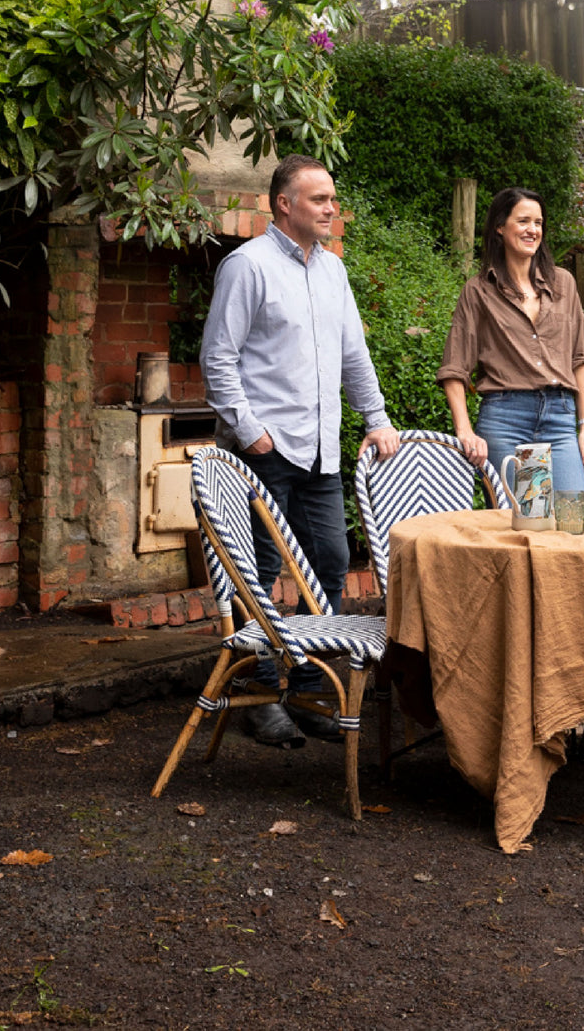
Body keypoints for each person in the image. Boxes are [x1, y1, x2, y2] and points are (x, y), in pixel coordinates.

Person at [200, 154, 399, 746]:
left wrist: (377, 416)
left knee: (331, 563)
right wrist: (250, 429)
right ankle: (258, 696)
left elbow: (352, 355)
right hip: (265, 448)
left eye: (333, 199)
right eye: (319, 199)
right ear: (284, 204)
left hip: (319, 451)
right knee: (259, 572)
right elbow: (218, 358)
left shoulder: (332, 271)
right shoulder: (248, 267)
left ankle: (310, 687)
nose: (331, 208)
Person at [438, 186, 584, 492]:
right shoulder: (479, 291)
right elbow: (454, 368)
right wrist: (465, 430)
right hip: (505, 420)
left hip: (560, 420)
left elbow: (581, 359)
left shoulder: (563, 283)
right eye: (523, 221)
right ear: (500, 227)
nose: (533, 230)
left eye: (538, 223)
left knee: (572, 520)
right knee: (523, 524)